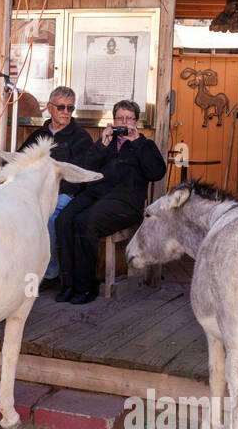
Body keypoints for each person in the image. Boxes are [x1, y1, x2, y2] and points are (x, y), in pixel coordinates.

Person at [55, 99, 166, 305]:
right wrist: (102, 145)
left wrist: (137, 142)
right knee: (63, 219)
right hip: (95, 196)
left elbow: (157, 172)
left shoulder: (145, 144)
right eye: (119, 118)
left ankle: (86, 286)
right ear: (113, 120)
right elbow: (86, 169)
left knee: (85, 222)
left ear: (136, 121)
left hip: (125, 203)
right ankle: (68, 284)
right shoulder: (107, 142)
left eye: (128, 118)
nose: (124, 122)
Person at [17, 86, 94, 287]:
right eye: (61, 107)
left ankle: (49, 274)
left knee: (48, 217)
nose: (66, 112)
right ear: (50, 108)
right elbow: (18, 161)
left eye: (70, 108)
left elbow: (79, 174)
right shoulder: (39, 135)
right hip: (34, 194)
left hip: (66, 194)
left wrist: (61, 194)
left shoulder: (81, 137)